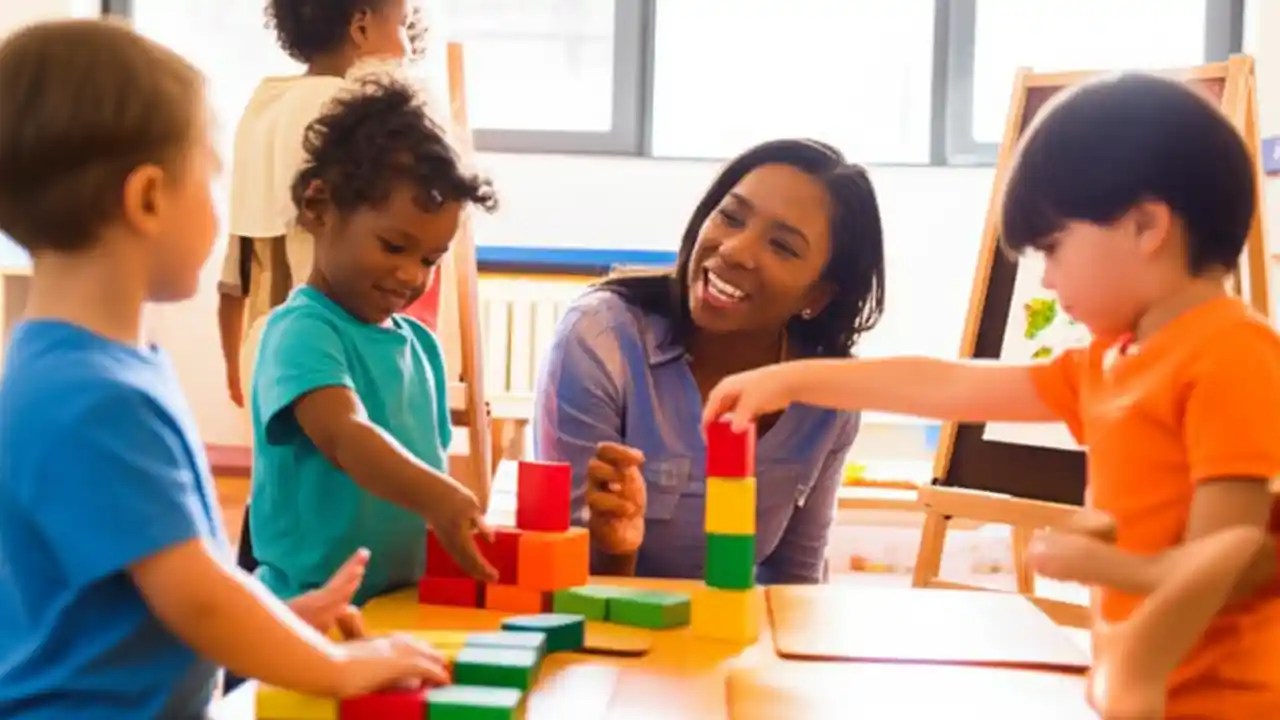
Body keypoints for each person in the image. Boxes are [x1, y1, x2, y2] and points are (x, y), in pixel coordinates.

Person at [705, 73, 1280, 717]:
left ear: (1146, 226)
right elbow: (950, 383)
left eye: (1055, 248)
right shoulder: (1110, 364)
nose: (1048, 276)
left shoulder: (1231, 352)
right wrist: (790, 379)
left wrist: (1106, 568)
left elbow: (1235, 558)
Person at [0, 20, 448, 719]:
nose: (221, 208)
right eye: (211, 178)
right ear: (148, 198)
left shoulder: (82, 368)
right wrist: (337, 667)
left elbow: (150, 595)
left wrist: (285, 620)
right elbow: (199, 596)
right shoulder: (93, 396)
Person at [535, 139, 886, 582]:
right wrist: (616, 549)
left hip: (729, 640)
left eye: (782, 246)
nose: (735, 250)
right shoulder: (601, 338)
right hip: (612, 634)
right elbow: (562, 573)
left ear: (817, 295)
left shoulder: (826, 397)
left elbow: (794, 581)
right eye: (730, 217)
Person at [248, 74, 500, 614]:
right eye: (393, 246)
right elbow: (344, 435)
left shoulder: (421, 348)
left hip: (401, 607)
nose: (411, 275)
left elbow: (426, 473)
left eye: (431, 259)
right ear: (318, 208)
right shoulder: (302, 331)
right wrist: (438, 496)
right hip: (308, 614)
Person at [218, 0, 425, 574]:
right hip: (330, 338)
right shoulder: (352, 113)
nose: (408, 46)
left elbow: (236, 257)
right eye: (403, 26)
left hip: (263, 334)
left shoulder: (263, 104)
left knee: (279, 487)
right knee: (332, 481)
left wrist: (232, 356)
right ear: (361, 26)